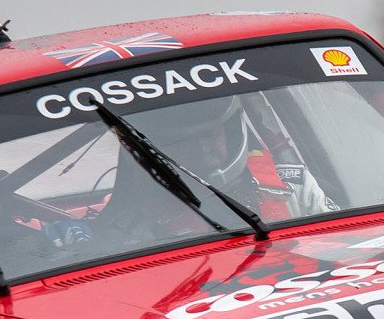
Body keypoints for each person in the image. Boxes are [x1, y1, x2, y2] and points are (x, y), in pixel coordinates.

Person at [98, 95, 336, 241]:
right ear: (159, 149)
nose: (204, 149)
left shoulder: (293, 186)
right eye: (186, 142)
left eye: (211, 134)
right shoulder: (133, 231)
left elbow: (345, 245)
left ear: (230, 130)